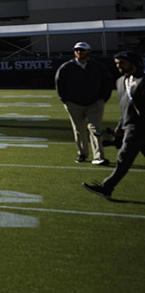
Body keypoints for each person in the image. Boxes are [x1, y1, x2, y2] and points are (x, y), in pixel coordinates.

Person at [84, 51, 143, 200]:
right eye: (117, 63)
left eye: (122, 63)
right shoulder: (120, 81)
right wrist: (120, 125)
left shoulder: (142, 80)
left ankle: (106, 187)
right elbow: (125, 106)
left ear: (133, 63)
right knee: (124, 157)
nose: (118, 66)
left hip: (138, 127)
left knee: (124, 157)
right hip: (129, 125)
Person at [56, 41, 112, 166]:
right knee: (79, 130)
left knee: (95, 128)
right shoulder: (66, 67)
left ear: (88, 51)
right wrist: (64, 100)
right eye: (77, 50)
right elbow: (59, 84)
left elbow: (107, 82)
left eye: (82, 50)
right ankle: (83, 154)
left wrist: (103, 99)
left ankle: (99, 156)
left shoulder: (98, 66)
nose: (79, 52)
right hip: (73, 103)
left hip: (95, 103)